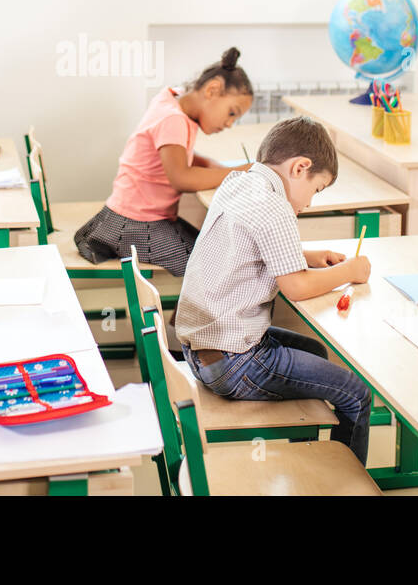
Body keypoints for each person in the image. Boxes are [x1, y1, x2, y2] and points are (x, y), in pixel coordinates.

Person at [176, 115, 373, 465]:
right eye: (316, 190)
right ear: (300, 168)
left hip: (201, 351)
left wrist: (308, 256)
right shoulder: (274, 206)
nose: (310, 203)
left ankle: (305, 447)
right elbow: (296, 287)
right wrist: (349, 271)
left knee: (313, 348)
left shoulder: (239, 183)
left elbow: (248, 248)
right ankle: (346, 482)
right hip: (237, 363)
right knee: (356, 394)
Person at [74, 47, 253, 276]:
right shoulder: (173, 119)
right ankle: (186, 312)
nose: (230, 124)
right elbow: (181, 178)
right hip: (135, 223)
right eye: (232, 113)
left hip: (135, 216)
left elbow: (179, 154)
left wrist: (218, 167)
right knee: (207, 267)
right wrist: (238, 172)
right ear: (212, 89)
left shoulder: (173, 101)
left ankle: (185, 312)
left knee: (212, 250)